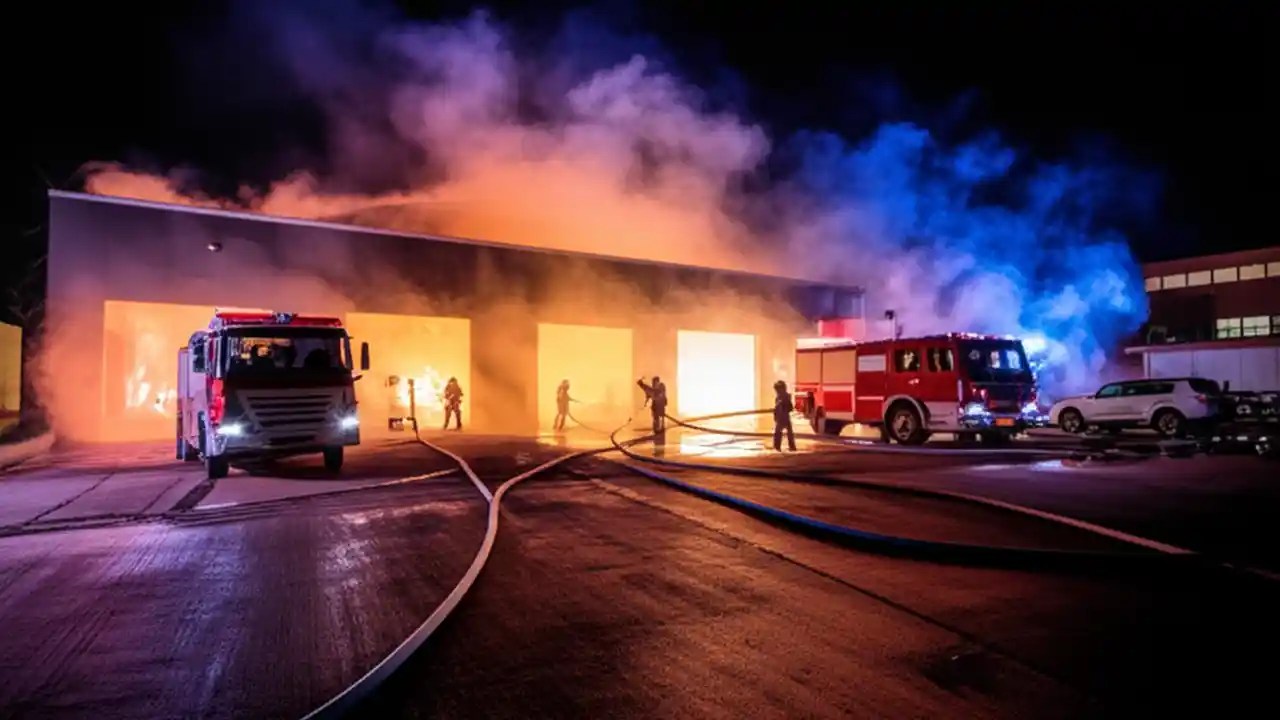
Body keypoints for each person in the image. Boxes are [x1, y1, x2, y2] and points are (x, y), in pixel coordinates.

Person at [773, 380, 797, 452]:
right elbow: (790, 408)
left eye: (777, 389)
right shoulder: (781, 397)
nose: (776, 391)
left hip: (783, 417)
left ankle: (778, 447)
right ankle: (791, 447)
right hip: (783, 416)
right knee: (788, 432)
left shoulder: (783, 397)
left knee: (778, 432)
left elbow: (789, 407)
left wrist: (779, 409)